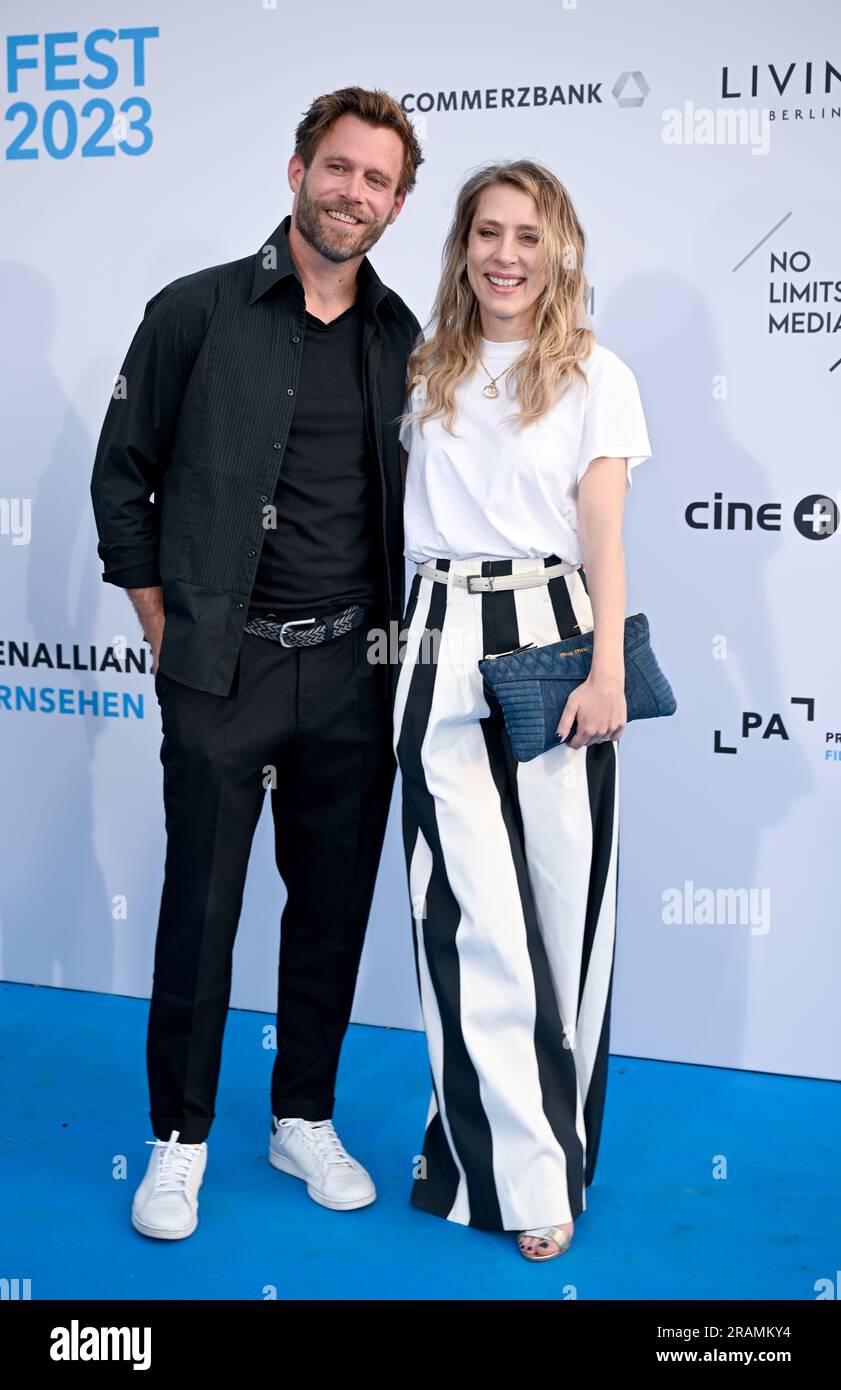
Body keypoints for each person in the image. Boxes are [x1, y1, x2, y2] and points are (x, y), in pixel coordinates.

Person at [89, 87, 424, 1239]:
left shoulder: (400, 338)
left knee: (330, 908)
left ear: (396, 202)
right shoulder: (194, 311)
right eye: (339, 169)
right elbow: (117, 478)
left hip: (352, 671)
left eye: (378, 181)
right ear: (296, 172)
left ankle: (302, 1118)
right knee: (203, 907)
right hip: (218, 667)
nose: (355, 194)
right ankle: (178, 1140)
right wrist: (164, 626)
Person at [392, 160, 653, 1262]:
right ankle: (515, 1168)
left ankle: (556, 1141)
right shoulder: (420, 370)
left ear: (560, 253)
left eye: (528, 237)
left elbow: (604, 535)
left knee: (563, 917)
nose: (506, 254)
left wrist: (606, 671)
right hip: (436, 635)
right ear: (461, 246)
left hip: (555, 631)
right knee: (468, 923)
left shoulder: (597, 372)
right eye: (487, 233)